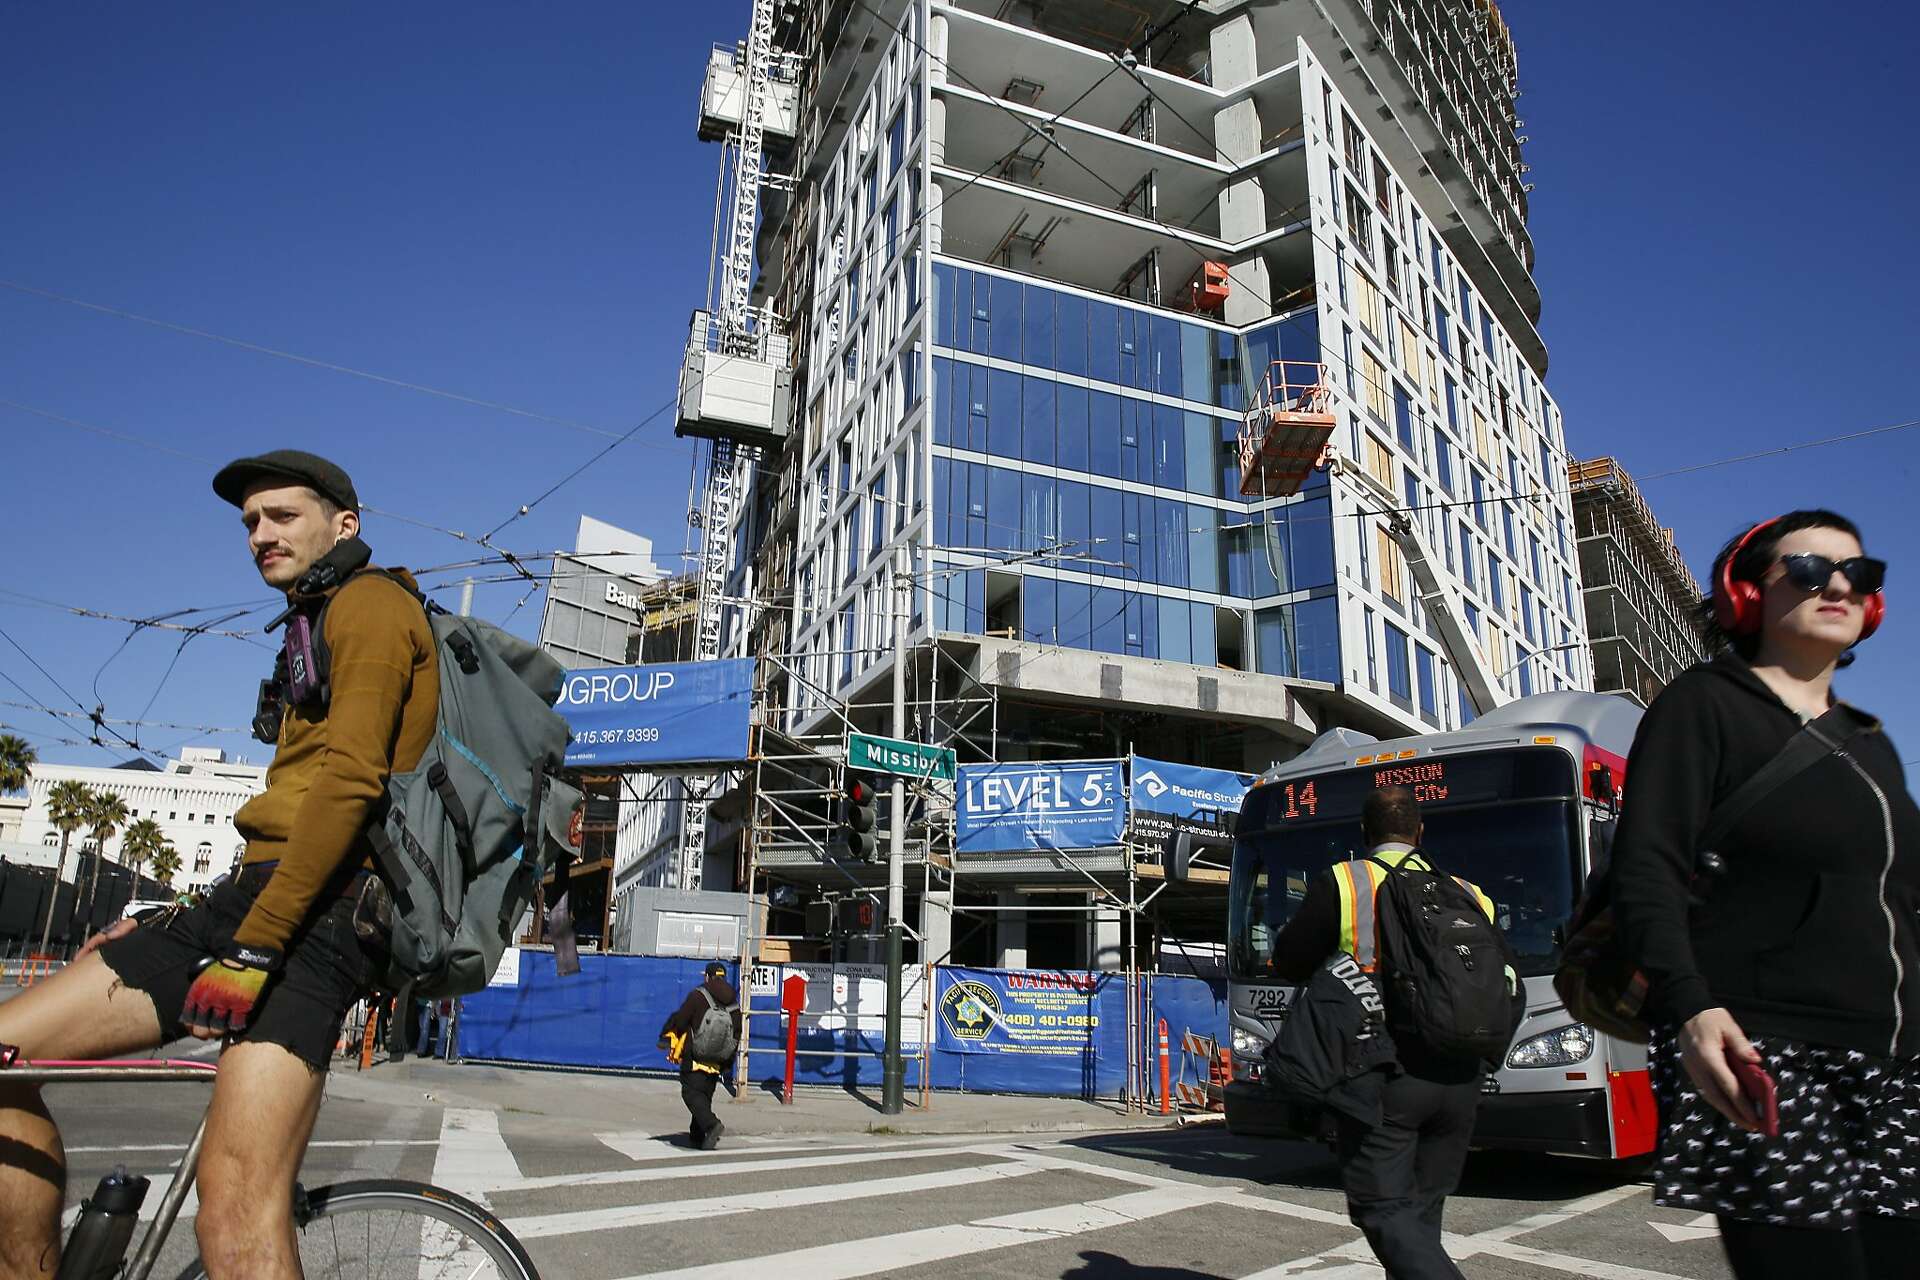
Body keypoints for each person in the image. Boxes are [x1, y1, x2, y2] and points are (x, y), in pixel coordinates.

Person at [0, 450, 437, 1279]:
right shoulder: (311, 620)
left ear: (345, 524)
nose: (261, 534)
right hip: (251, 900)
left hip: (320, 920)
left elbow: (351, 781)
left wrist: (255, 947)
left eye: (283, 516)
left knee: (235, 1217)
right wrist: (165, 922)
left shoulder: (373, 605)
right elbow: (282, 823)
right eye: (250, 522)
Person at [1610, 510, 1919, 1279]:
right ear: (1746, 593)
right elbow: (1646, 866)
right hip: (1769, 1050)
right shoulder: (1702, 704)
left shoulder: (1872, 742)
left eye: (1859, 574)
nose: (1839, 586)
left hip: (1898, 1060)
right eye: (1810, 570)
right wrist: (1690, 1006)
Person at [1268, 786, 1502, 1280]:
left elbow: (1290, 961)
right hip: (1460, 1074)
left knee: (1383, 1207)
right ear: (1420, 832)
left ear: (1364, 833)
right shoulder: (1469, 893)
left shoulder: (1346, 882)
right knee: (1420, 1216)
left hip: (1382, 1071)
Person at [658, 961, 741, 1150]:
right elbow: (736, 1033)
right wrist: (727, 1062)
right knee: (704, 1096)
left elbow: (681, 1020)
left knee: (691, 1093)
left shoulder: (698, 995)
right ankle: (697, 1136)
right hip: (717, 1060)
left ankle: (712, 1125)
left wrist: (667, 1036)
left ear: (707, 977)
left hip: (695, 1057)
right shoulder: (734, 1003)